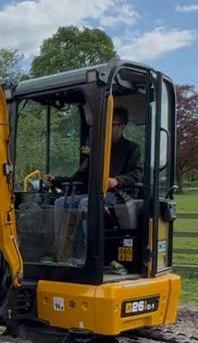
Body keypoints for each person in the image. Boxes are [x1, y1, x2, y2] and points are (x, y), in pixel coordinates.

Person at [44, 106, 143, 262]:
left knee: (86, 203)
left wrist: (117, 180)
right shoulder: (98, 150)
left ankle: (89, 255)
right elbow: (80, 176)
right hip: (96, 193)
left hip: (118, 195)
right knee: (61, 202)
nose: (106, 129)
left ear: (122, 126)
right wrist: (56, 179)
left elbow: (137, 174)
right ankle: (63, 250)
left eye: (111, 124)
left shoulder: (131, 148)